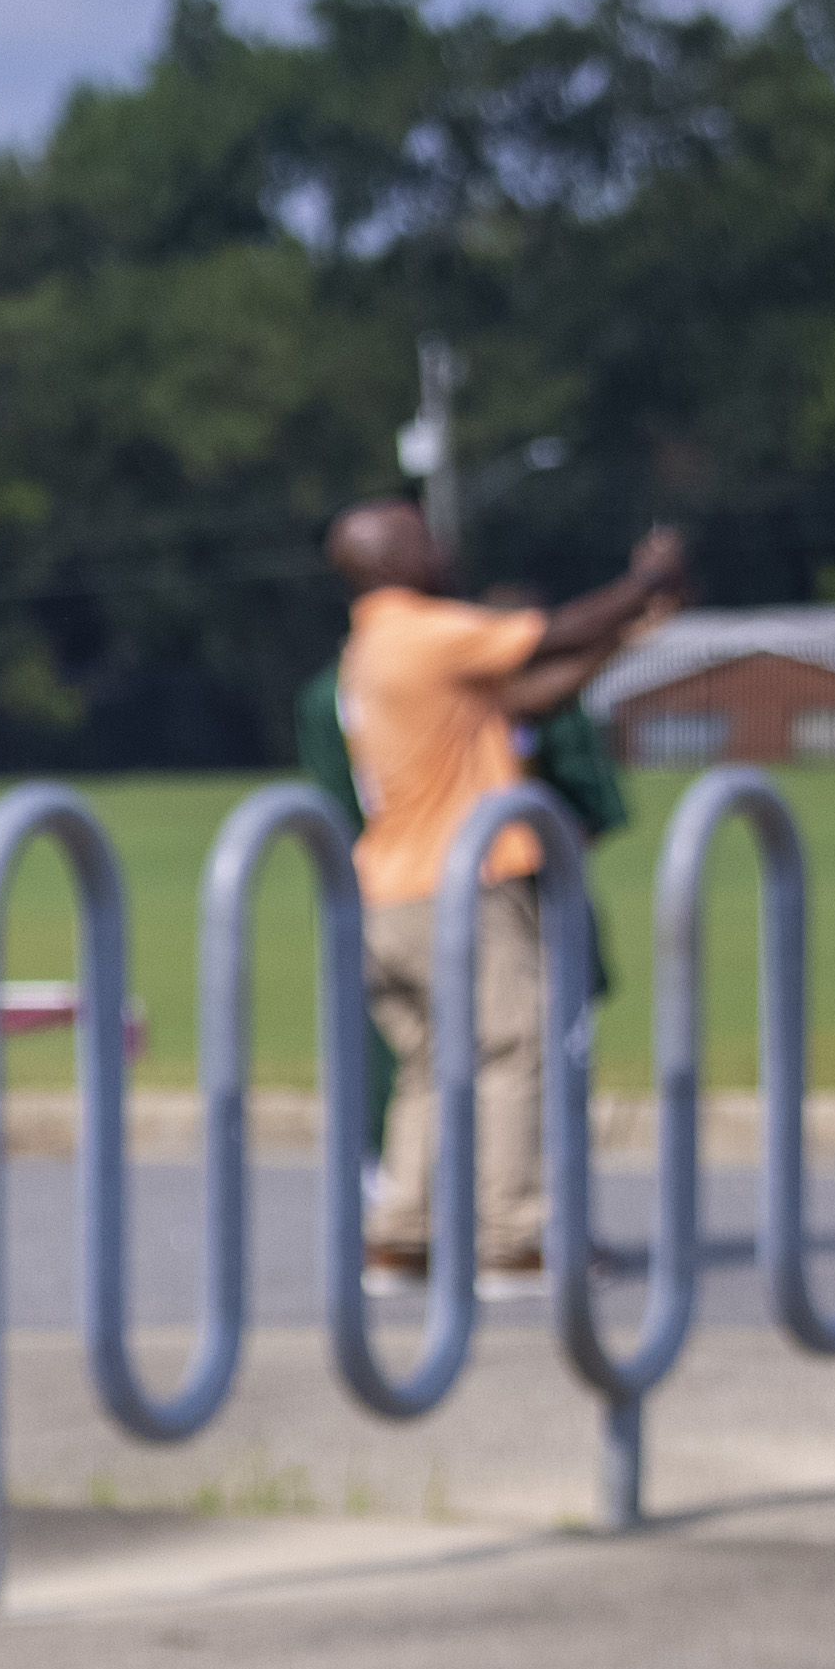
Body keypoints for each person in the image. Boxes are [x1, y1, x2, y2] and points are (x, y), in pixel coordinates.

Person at [324, 491, 685, 1283]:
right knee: (512, 1048)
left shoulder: (374, 648)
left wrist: (627, 633)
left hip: (386, 889)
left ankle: (400, 1233)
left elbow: (523, 696)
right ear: (387, 557)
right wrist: (643, 578)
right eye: (419, 536)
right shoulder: (422, 629)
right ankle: (512, 1238)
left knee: (430, 1063)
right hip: (463, 879)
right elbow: (552, 634)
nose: (439, 545)